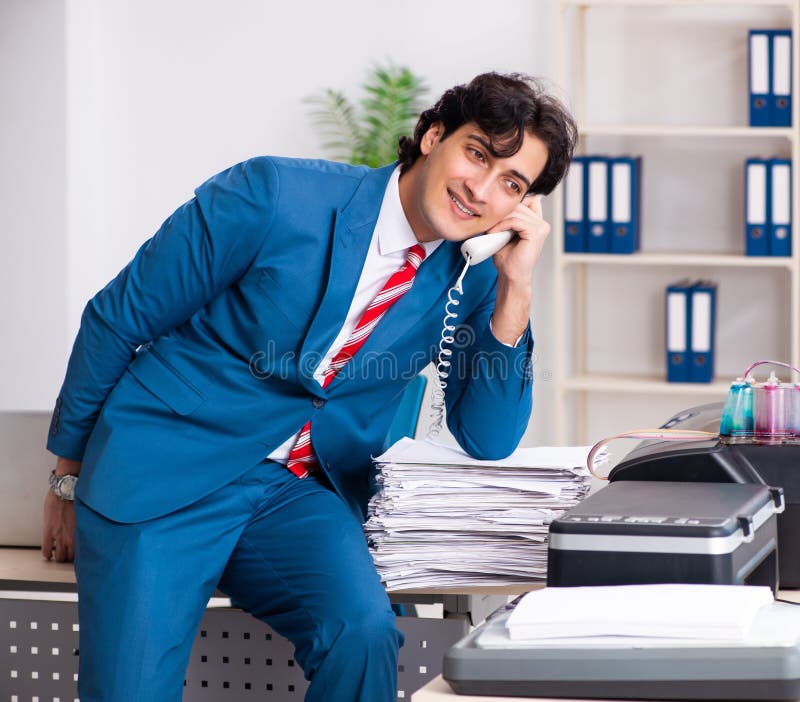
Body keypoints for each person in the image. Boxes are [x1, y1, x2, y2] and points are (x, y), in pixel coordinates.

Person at [42, 71, 577, 701]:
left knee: (364, 632)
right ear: (434, 136)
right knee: (130, 690)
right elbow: (117, 319)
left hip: (296, 493)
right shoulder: (273, 194)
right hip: (167, 468)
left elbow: (487, 437)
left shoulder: (472, 274)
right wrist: (66, 476)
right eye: (477, 153)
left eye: (511, 183)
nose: (480, 189)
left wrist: (517, 285)